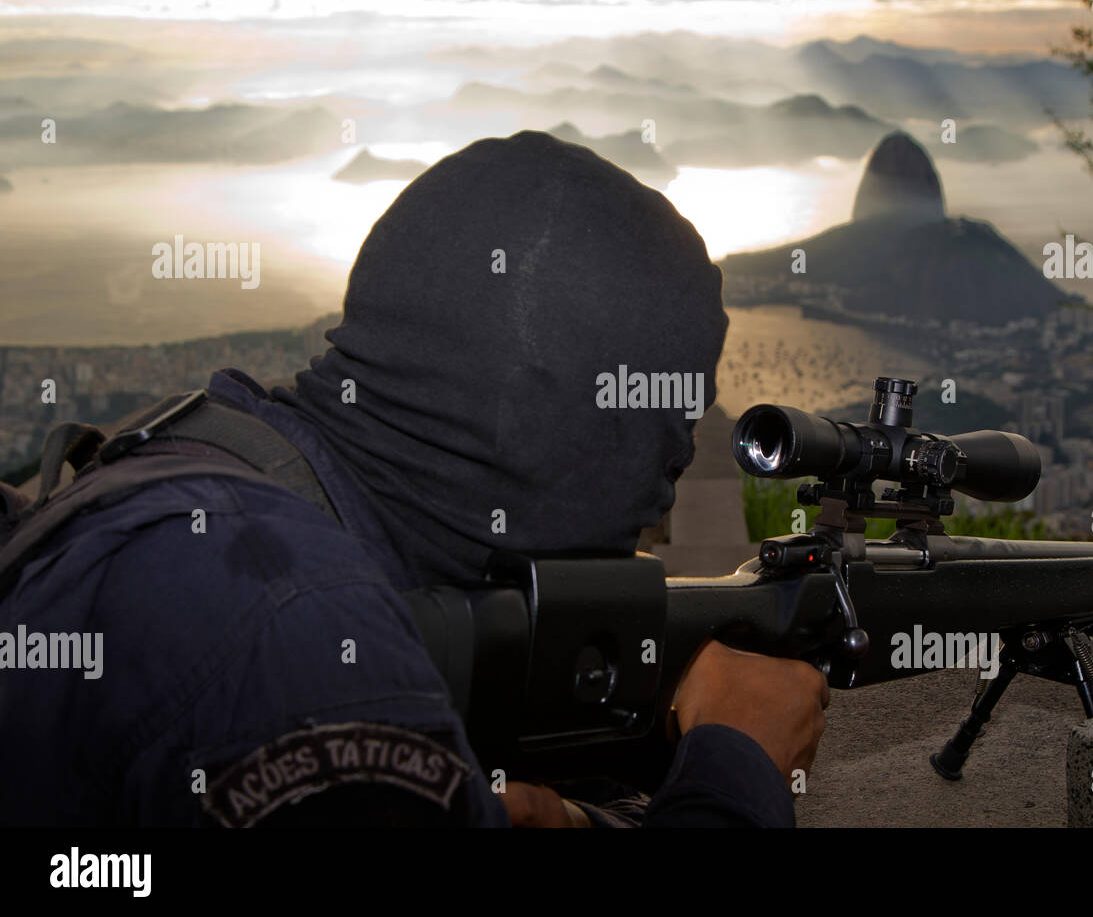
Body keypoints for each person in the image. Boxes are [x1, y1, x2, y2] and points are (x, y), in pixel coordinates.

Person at [0, 131, 828, 827]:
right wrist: (736, 768)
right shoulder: (301, 645)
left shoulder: (221, 462)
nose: (668, 488)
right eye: (665, 433)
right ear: (543, 424)